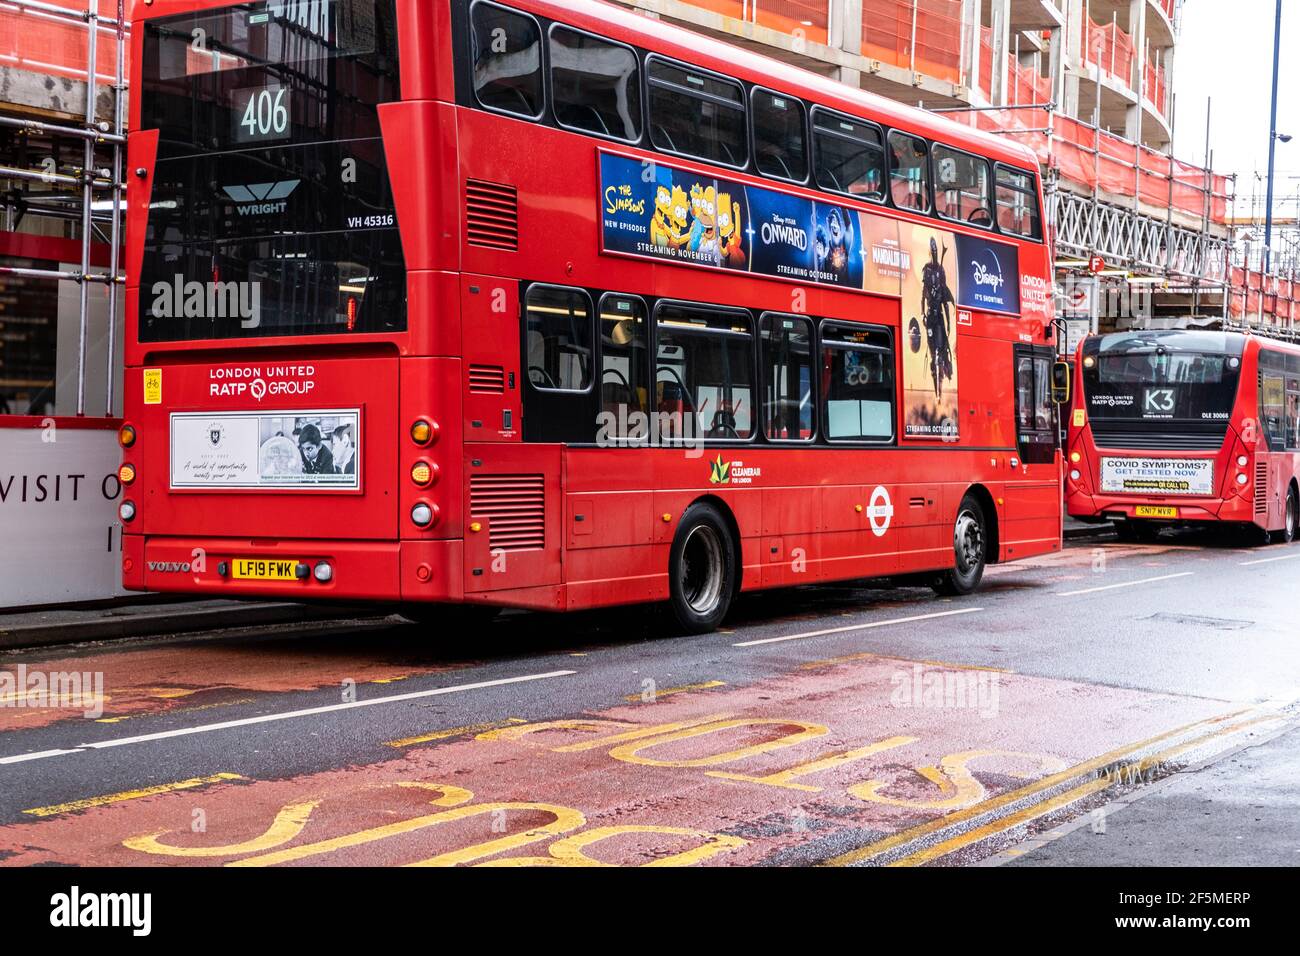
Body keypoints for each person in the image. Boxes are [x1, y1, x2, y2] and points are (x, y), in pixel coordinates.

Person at [921, 236, 955, 400]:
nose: (934, 253)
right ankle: (936, 391)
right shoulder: (926, 270)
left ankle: (940, 390)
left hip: (939, 319)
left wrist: (948, 323)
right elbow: (923, 296)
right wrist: (922, 313)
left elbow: (945, 302)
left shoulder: (941, 271)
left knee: (940, 352)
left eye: (936, 251)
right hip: (930, 318)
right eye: (932, 250)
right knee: (932, 352)